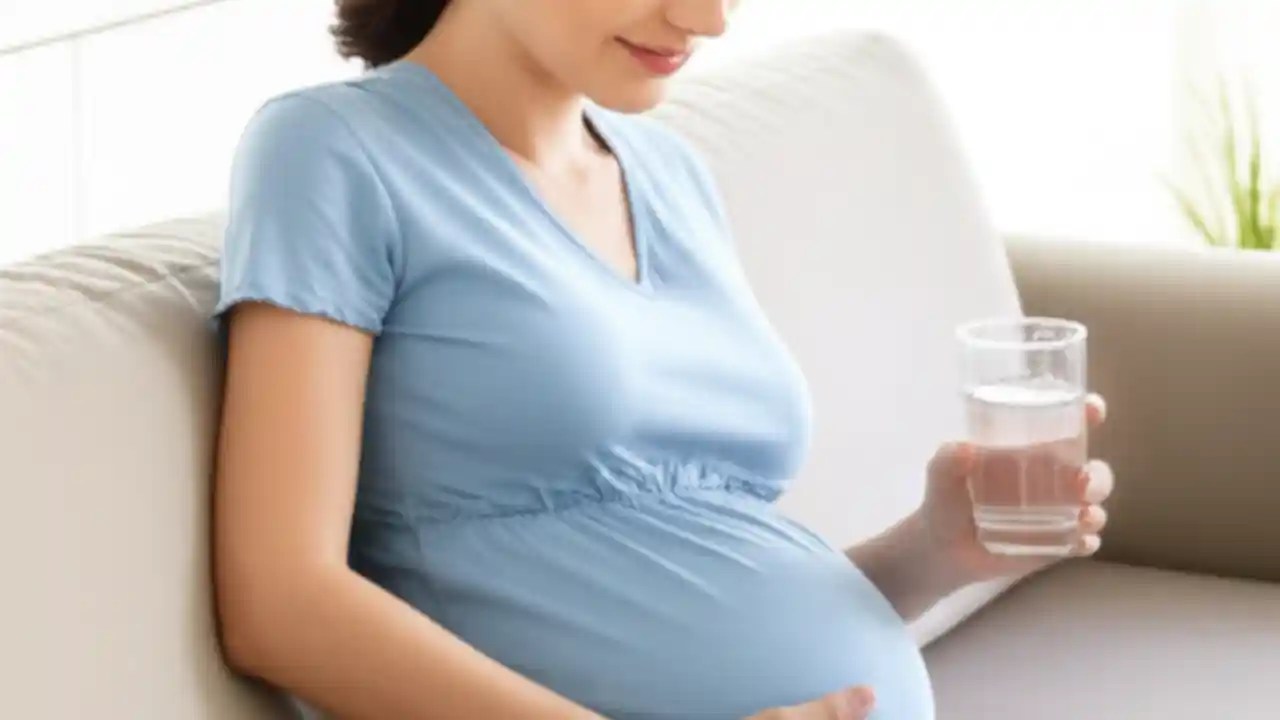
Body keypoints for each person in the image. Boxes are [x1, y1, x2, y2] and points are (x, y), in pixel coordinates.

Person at [210, 1, 1114, 718]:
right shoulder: (332, 153)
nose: (708, 17)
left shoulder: (668, 173)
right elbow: (280, 603)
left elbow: (674, 564)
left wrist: (935, 552)